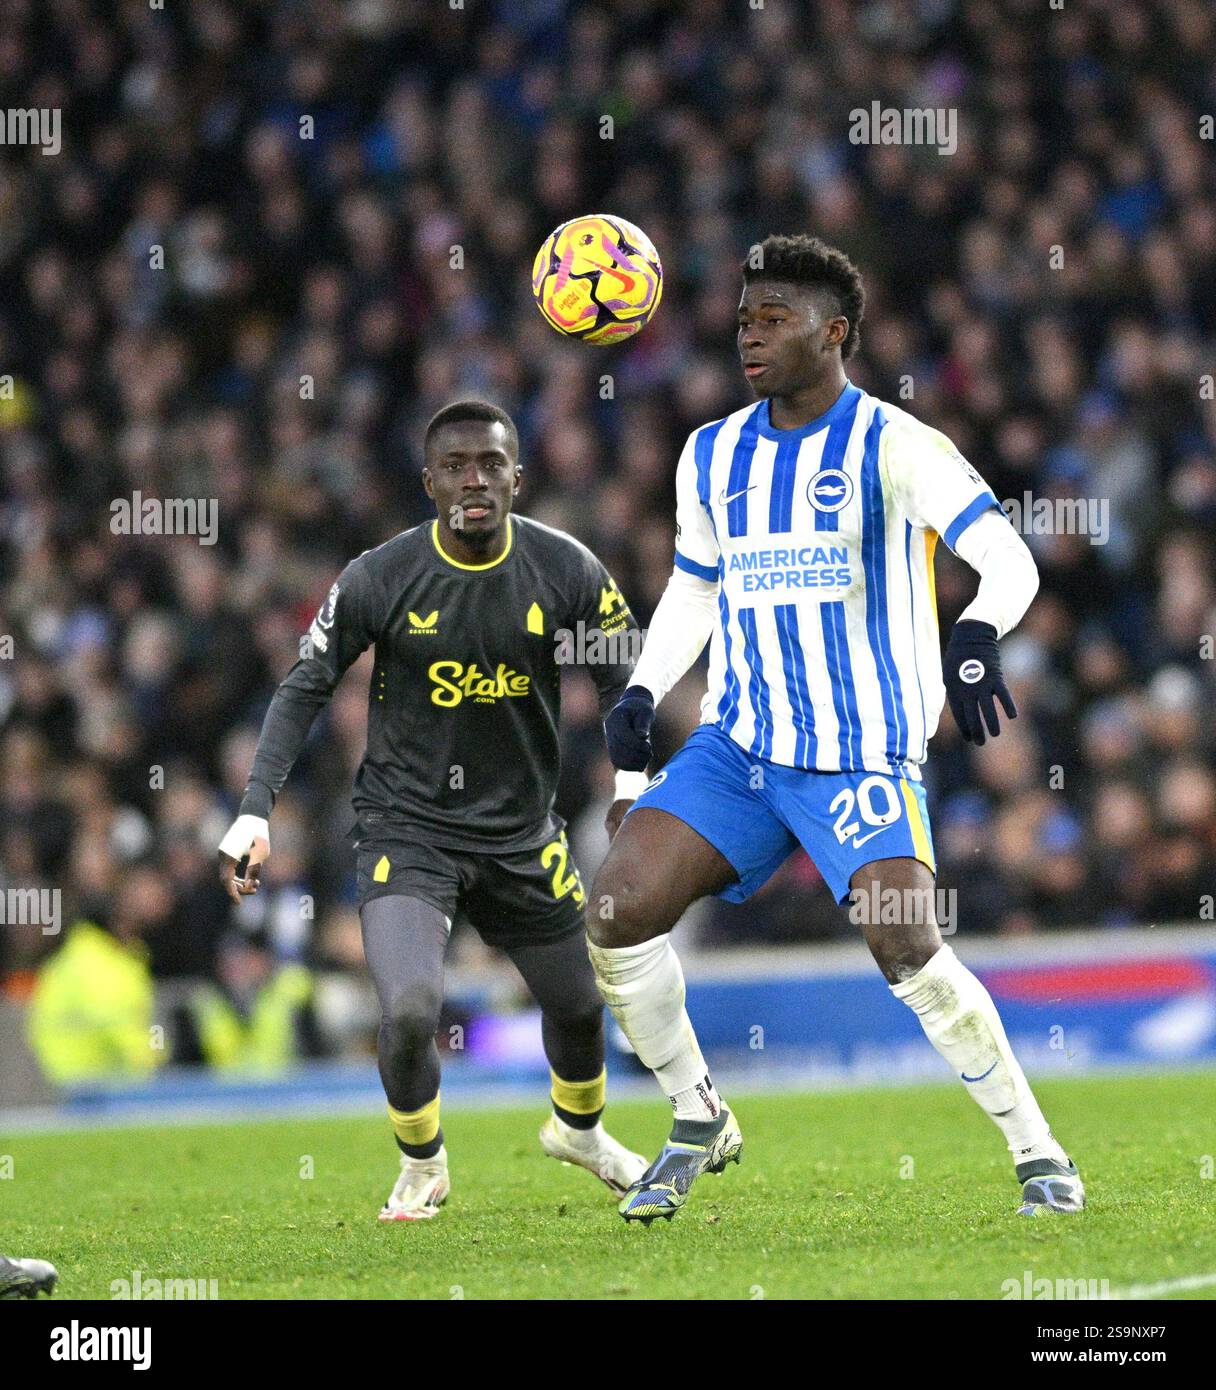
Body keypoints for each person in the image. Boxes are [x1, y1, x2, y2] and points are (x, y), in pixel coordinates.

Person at [590, 235, 1085, 1223]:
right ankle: (696, 1114)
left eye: (774, 319)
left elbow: (1006, 558)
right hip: (740, 745)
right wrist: (643, 688)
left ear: (835, 332)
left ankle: (1038, 1153)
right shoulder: (712, 451)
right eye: (742, 320)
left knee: (905, 945)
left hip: (859, 749)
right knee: (614, 913)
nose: (750, 336)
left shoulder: (896, 445)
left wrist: (978, 630)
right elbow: (696, 585)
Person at [218, 400, 648, 1220]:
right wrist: (253, 809)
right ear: (428, 483)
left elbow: (627, 681)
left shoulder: (568, 569)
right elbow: (305, 685)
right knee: (411, 1009)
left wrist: (630, 788)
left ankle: (581, 1131)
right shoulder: (380, 575)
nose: (474, 480)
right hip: (407, 830)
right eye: (455, 466)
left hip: (522, 833)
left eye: (491, 463)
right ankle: (423, 1162)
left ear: (519, 477)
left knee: (583, 1007)